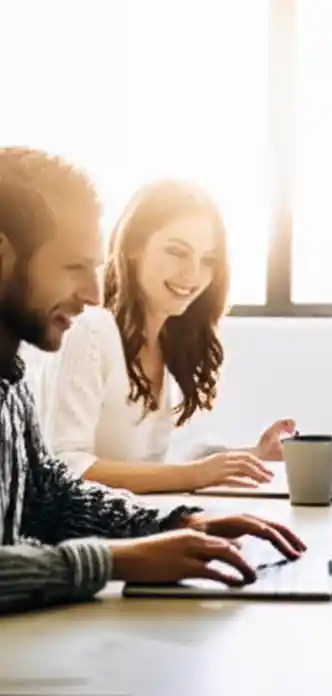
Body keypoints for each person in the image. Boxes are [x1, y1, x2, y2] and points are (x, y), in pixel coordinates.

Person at [0, 147, 304, 614]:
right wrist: (115, 559)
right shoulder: (89, 335)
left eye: (94, 268)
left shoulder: (11, 376)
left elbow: (49, 494)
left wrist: (176, 522)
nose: (94, 294)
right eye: (71, 267)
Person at [38, 180, 296, 493]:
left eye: (207, 260)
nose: (193, 274)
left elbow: (156, 465)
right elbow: (66, 465)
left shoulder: (165, 342)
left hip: (139, 521)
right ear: (133, 247)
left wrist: (254, 456)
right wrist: (195, 476)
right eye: (177, 252)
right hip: (88, 533)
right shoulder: (91, 331)